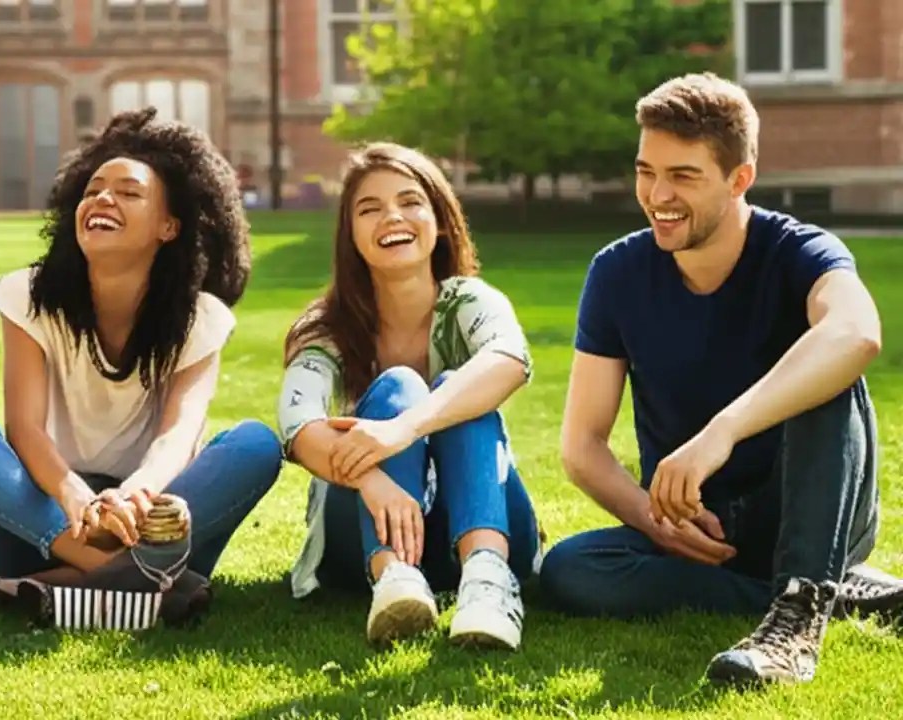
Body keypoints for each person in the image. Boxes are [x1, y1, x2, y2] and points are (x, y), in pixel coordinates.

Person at [539, 72, 903, 686]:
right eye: (646, 171)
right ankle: (819, 592)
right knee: (570, 570)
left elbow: (857, 331)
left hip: (809, 508)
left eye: (683, 176)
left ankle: (796, 619)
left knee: (829, 369)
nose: (658, 195)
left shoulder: (800, 251)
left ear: (740, 179)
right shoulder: (617, 272)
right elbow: (582, 445)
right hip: (698, 523)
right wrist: (653, 520)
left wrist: (722, 432)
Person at [0, 107, 283, 631]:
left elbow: (179, 436)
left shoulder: (201, 319)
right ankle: (139, 581)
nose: (103, 199)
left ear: (169, 226)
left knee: (255, 444)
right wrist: (75, 496)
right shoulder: (27, 295)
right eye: (93, 190)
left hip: (150, 522)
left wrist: (133, 495)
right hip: (49, 522)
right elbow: (24, 429)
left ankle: (33, 589)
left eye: (129, 192)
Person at [278, 142, 543, 649]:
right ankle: (394, 579)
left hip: (478, 520)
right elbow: (297, 424)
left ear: (439, 221)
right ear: (350, 234)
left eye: (409, 201)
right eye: (369, 208)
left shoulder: (471, 300)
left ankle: (487, 582)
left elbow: (509, 360)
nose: (392, 217)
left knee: (459, 391)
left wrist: (401, 430)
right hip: (362, 536)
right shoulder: (325, 326)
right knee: (397, 384)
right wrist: (372, 478)